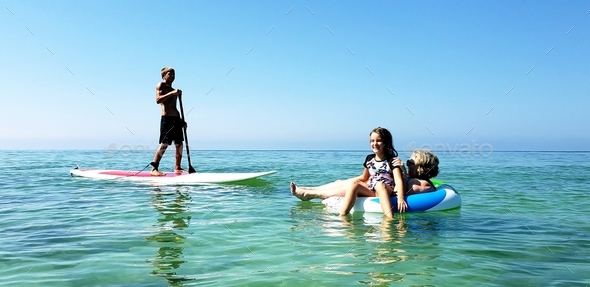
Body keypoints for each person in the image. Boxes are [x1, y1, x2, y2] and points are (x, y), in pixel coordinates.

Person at [290, 149, 440, 212]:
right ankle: (309, 189)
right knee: (341, 182)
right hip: (377, 187)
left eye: (411, 162)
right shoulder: (415, 179)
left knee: (350, 186)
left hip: (381, 192)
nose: (407, 163)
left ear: (421, 167)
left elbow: (400, 189)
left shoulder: (423, 185)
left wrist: (401, 171)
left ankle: (309, 194)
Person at [150, 67, 187, 176]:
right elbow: (158, 100)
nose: (172, 76)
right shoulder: (161, 85)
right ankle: (154, 169)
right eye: (169, 74)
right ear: (163, 76)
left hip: (176, 119)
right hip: (167, 119)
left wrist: (182, 121)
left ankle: (177, 167)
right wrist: (172, 94)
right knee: (164, 143)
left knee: (179, 144)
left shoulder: (173, 90)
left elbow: (174, 107)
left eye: (173, 74)